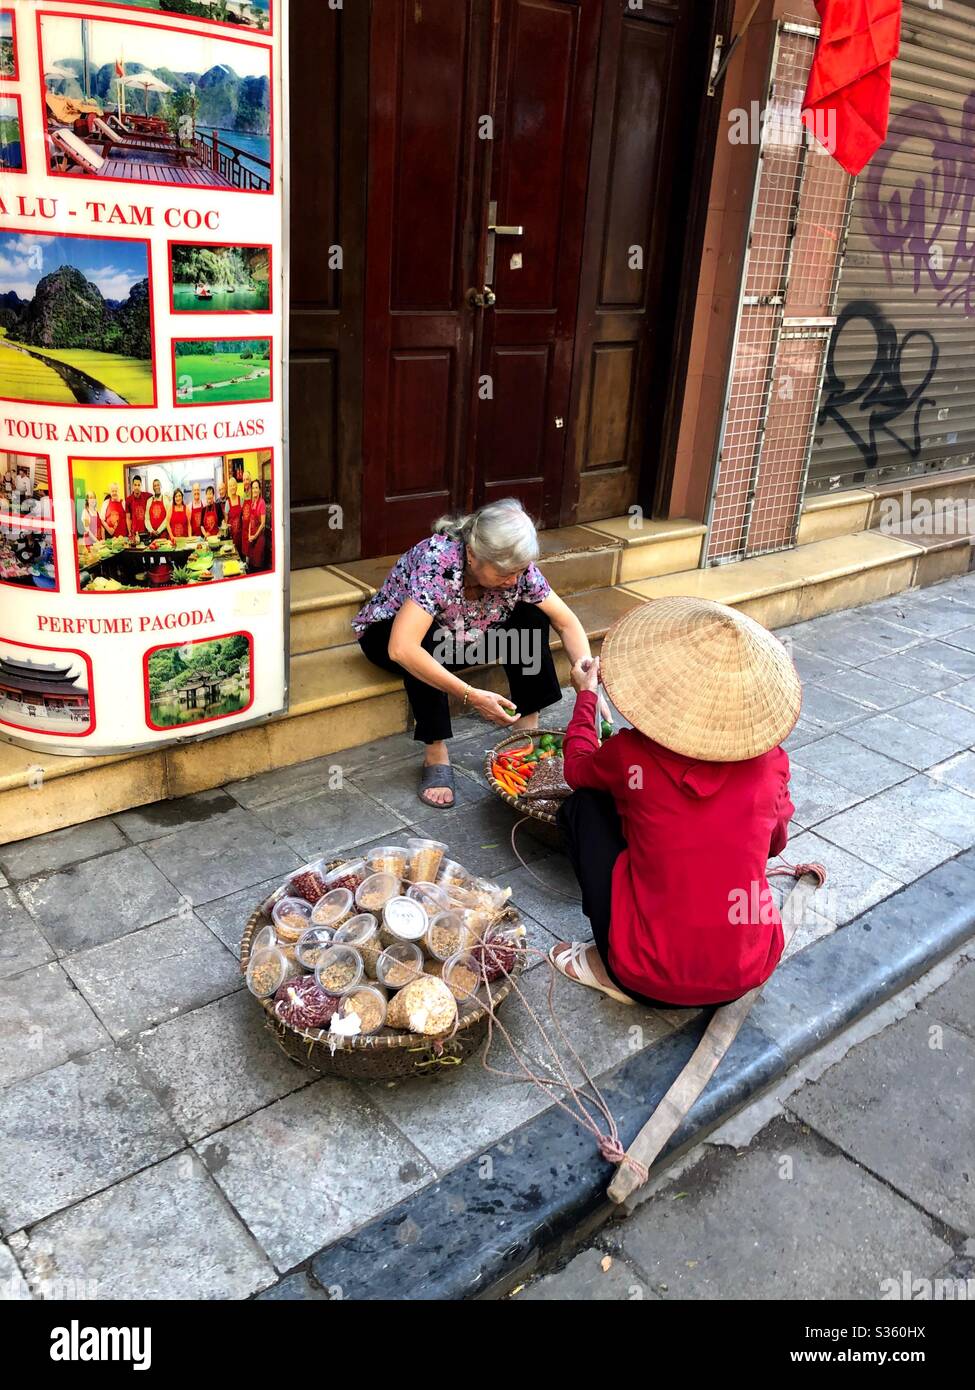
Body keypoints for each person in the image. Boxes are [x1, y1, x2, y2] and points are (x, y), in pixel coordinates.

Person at [550, 597, 800, 1009]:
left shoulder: (631, 754)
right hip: (745, 970)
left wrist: (586, 696)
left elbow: (575, 769)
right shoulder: (771, 763)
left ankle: (604, 959)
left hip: (643, 975)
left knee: (584, 806)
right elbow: (774, 846)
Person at [355, 498, 603, 810]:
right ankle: (436, 753)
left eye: (518, 571)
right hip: (389, 639)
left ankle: (524, 731)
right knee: (424, 640)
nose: (514, 580)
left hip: (463, 632)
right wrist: (470, 695)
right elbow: (402, 648)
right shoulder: (440, 562)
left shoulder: (517, 569)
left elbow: (566, 622)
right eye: (505, 573)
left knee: (531, 616)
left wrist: (586, 678)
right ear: (472, 555)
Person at [244, 478, 267, 570]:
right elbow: (250, 521)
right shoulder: (252, 503)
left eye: (256, 488)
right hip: (252, 539)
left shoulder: (262, 503)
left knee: (257, 566)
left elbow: (263, 524)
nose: (255, 490)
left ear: (260, 490)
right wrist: (249, 534)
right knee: (251, 566)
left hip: (259, 539)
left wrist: (255, 536)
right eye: (253, 488)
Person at [226, 475, 242, 552]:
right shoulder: (227, 502)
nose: (232, 487)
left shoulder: (241, 499)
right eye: (230, 486)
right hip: (231, 536)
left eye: (234, 485)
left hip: (241, 535)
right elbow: (226, 521)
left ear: (236, 487)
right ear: (229, 488)